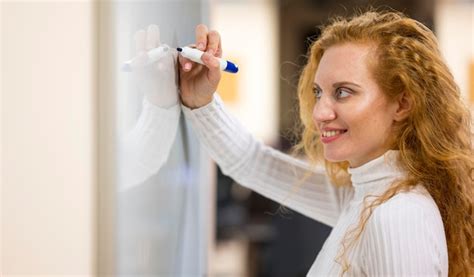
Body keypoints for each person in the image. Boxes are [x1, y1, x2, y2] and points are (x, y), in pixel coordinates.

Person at [176, 10, 474, 276]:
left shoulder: (397, 215)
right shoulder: (366, 195)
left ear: (402, 104)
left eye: (343, 92)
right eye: (319, 92)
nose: (320, 112)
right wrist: (201, 99)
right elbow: (254, 163)